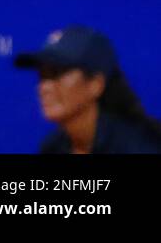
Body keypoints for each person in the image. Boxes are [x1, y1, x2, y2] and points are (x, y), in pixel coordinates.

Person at [15, 25, 161, 154]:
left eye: (57, 73)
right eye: (42, 76)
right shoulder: (53, 147)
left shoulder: (139, 148)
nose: (44, 87)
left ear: (95, 85)